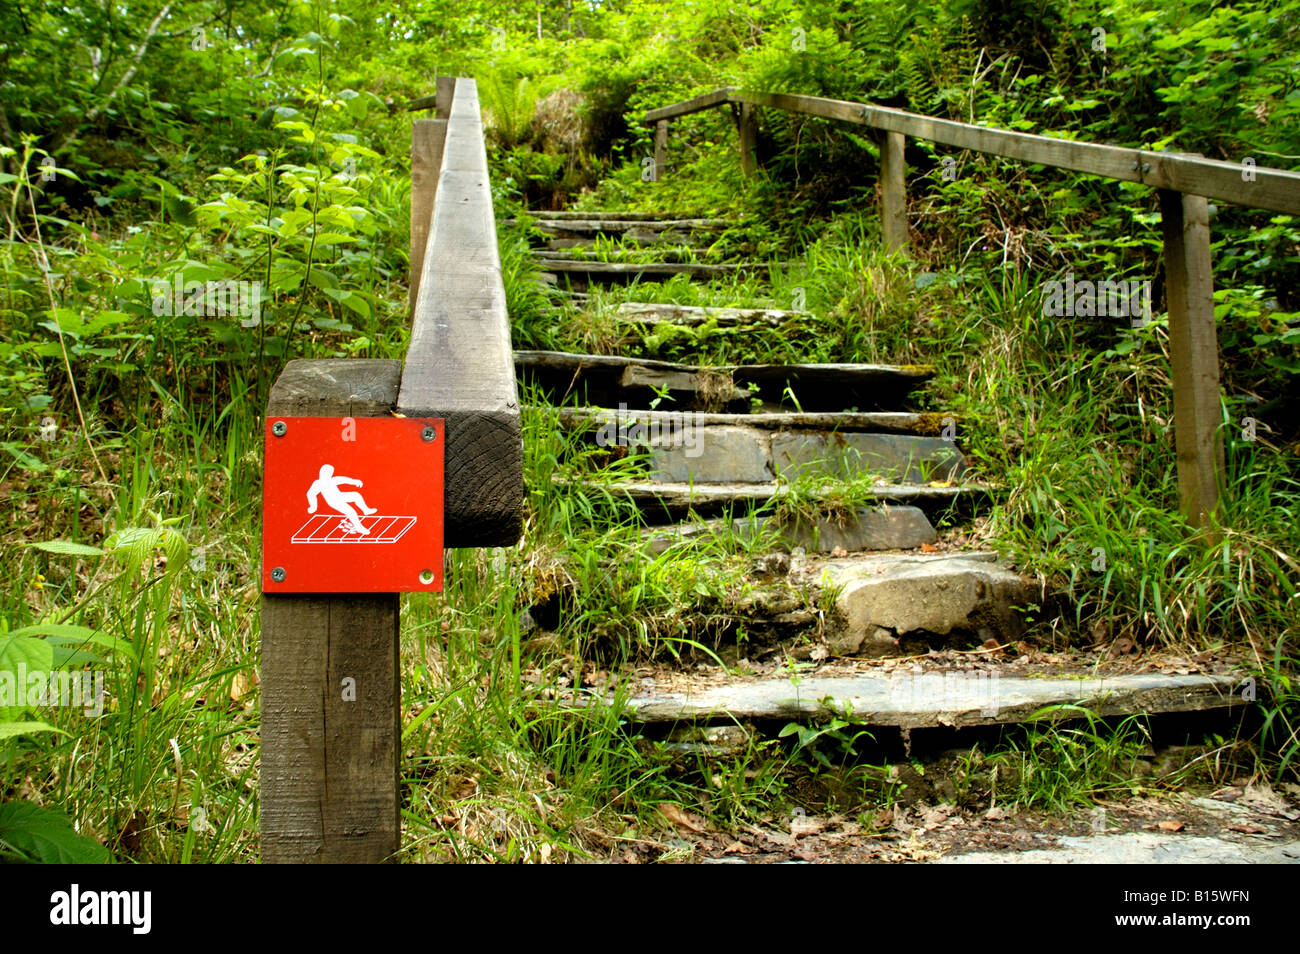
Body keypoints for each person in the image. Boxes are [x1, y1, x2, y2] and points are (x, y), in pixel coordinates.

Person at [307, 464, 376, 535]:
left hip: (339, 496)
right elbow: (311, 494)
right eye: (327, 473)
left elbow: (343, 479)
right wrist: (313, 506)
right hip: (334, 501)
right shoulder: (318, 483)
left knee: (356, 495)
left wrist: (355, 481)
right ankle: (359, 527)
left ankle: (366, 510)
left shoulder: (332, 480)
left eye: (330, 473)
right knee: (351, 512)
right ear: (321, 472)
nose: (329, 475)